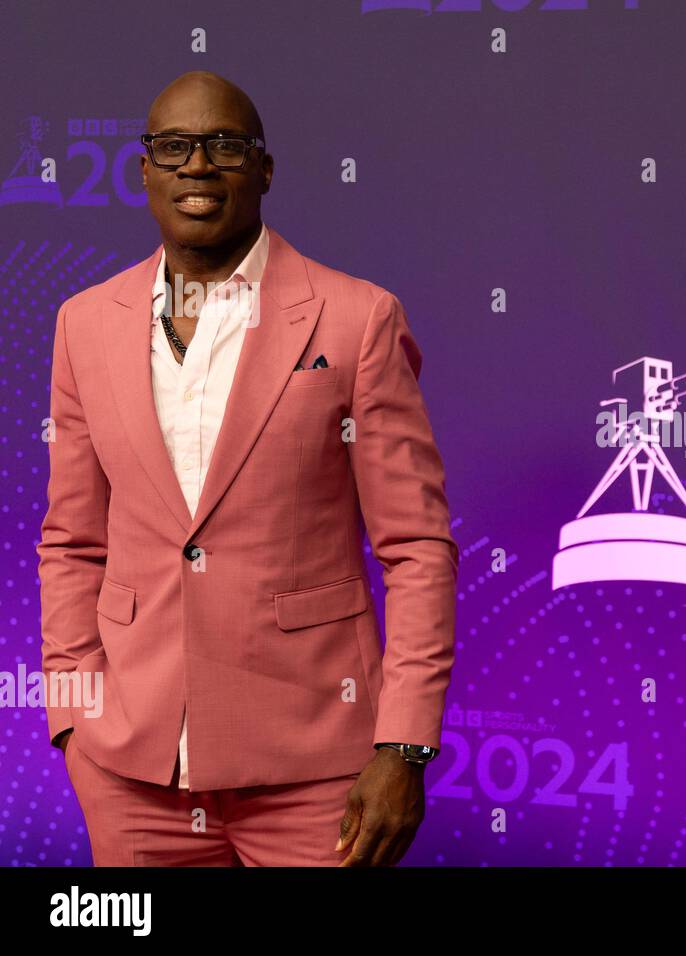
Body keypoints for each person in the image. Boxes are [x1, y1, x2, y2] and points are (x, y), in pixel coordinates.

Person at [37, 70, 458, 866]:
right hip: (130, 772)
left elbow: (418, 549)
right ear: (145, 171)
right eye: (174, 147)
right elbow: (70, 542)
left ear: (264, 171)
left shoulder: (357, 318)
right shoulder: (84, 324)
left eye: (225, 146)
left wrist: (404, 747)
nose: (198, 166)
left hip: (317, 773)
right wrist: (71, 721)